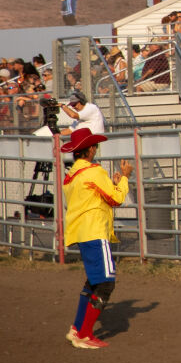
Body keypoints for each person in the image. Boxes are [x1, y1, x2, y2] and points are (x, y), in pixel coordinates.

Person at [60, 127, 133, 350]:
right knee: (105, 284)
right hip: (94, 231)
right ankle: (84, 334)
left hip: (81, 232)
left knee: (93, 282)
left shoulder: (71, 176)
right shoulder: (93, 171)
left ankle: (77, 328)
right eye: (95, 146)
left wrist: (112, 182)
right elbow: (116, 199)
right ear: (90, 149)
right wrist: (125, 179)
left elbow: (93, 196)